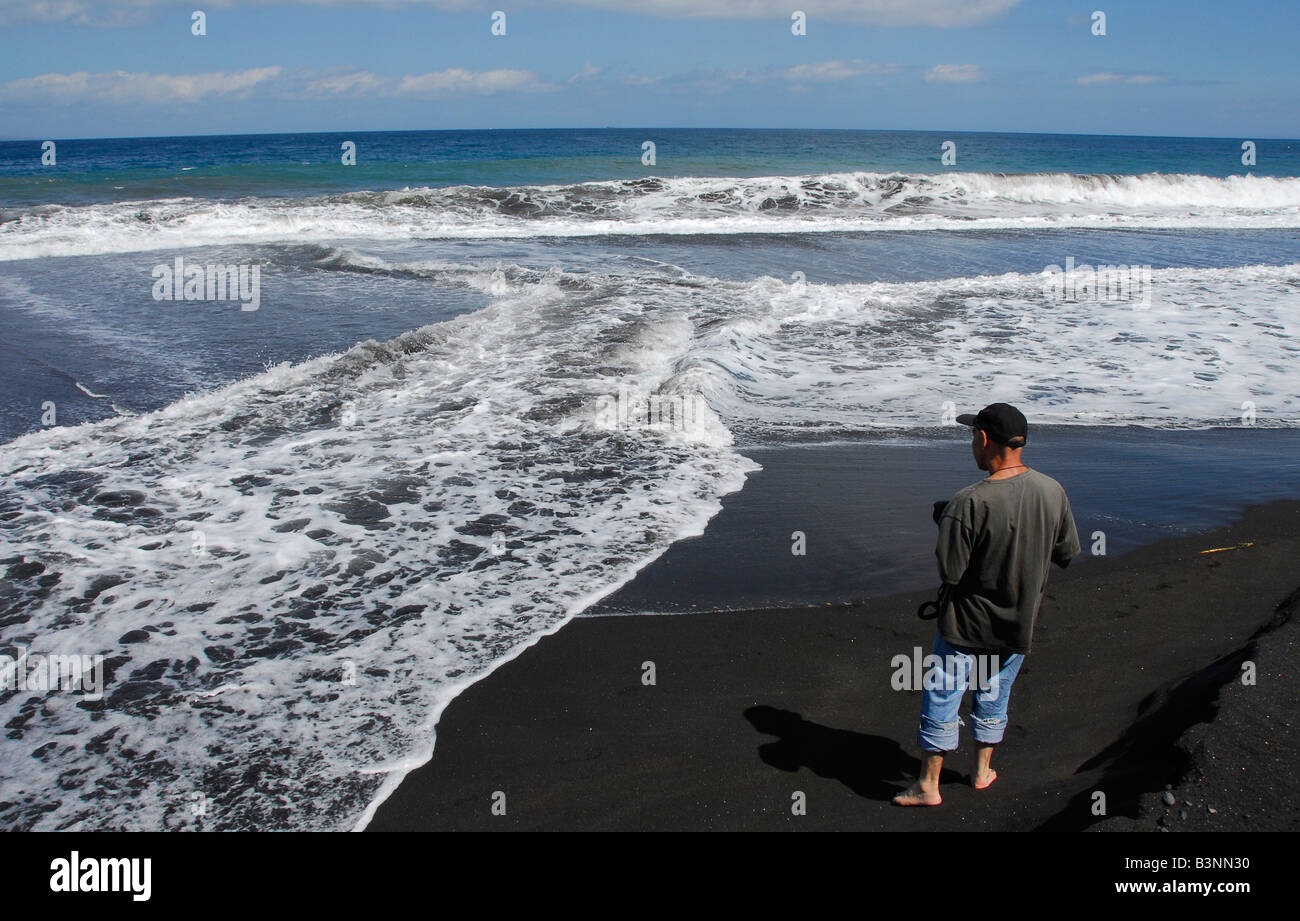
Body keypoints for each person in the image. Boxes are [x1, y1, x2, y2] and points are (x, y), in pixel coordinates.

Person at [893, 402, 1080, 806]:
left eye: (971, 437)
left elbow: (952, 572)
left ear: (983, 439)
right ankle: (981, 771)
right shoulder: (1052, 490)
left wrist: (947, 521)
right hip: (1018, 621)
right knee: (994, 691)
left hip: (967, 624)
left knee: (944, 693)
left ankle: (928, 785)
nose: (971, 446)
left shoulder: (969, 501)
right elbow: (1065, 554)